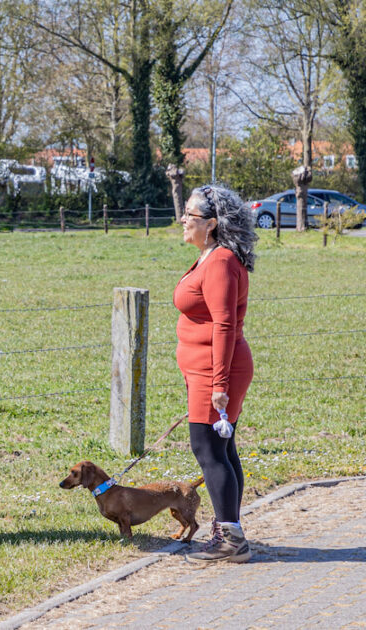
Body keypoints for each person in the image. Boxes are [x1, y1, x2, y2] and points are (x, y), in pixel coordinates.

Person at [174, 184, 258, 563]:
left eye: (189, 215)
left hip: (215, 371)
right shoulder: (211, 256)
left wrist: (219, 385)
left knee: (208, 450)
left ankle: (230, 539)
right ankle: (231, 531)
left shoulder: (222, 261)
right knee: (222, 450)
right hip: (206, 369)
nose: (182, 220)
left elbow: (224, 324)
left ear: (210, 224)